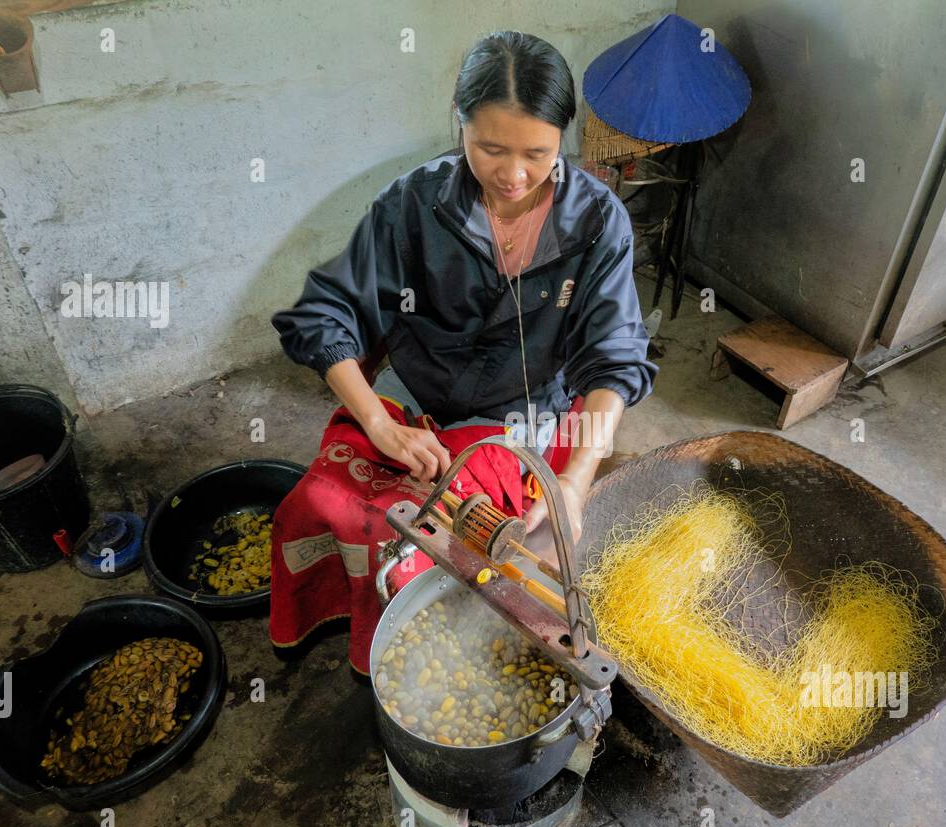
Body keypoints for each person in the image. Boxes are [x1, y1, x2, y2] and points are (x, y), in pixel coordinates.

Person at [268, 31, 657, 673]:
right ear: (460, 126)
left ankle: (440, 664)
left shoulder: (598, 222)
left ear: (566, 135)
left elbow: (613, 355)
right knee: (323, 509)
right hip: (415, 404)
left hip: (522, 416)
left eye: (537, 152)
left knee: (463, 549)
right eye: (490, 148)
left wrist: (574, 482)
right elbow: (323, 314)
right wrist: (377, 422)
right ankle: (368, 643)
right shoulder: (412, 204)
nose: (513, 175)